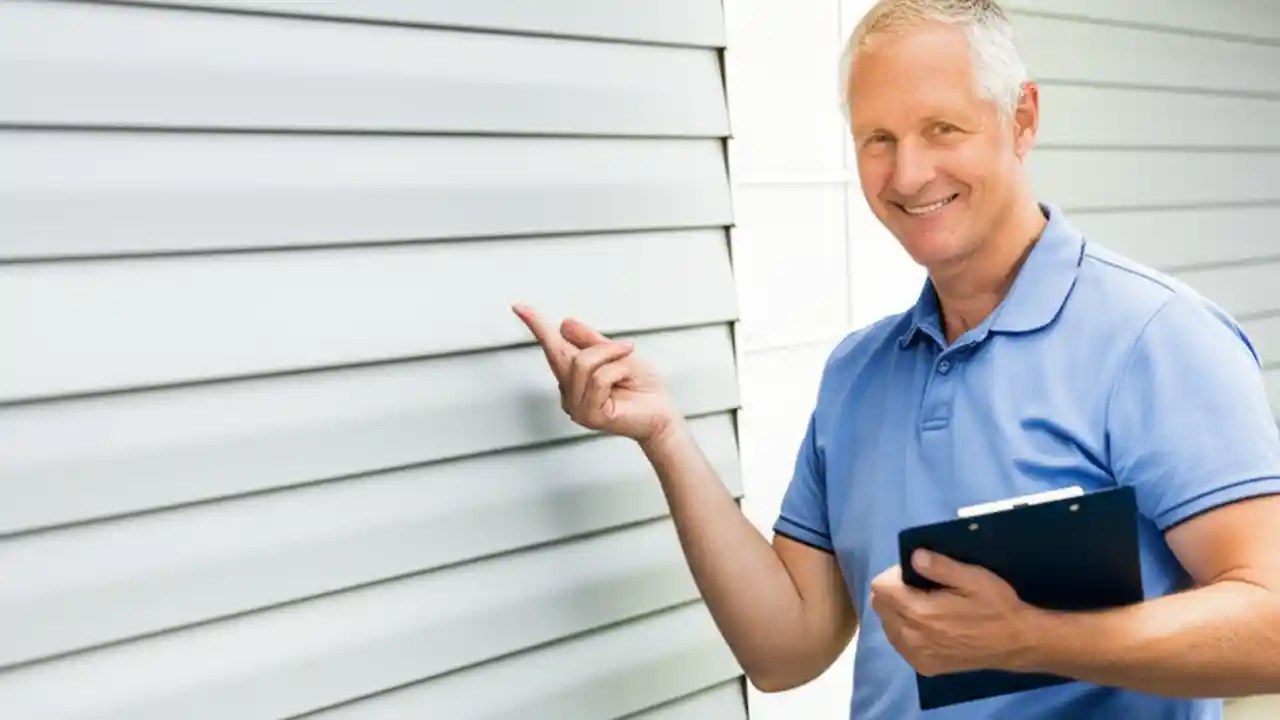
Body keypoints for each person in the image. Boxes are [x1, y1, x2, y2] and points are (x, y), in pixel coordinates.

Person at [513, 0, 1280, 717]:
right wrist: (666, 437)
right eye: (878, 139)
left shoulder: (1155, 338)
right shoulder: (858, 375)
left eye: (942, 129)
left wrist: (1029, 638)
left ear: (1022, 120)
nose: (908, 174)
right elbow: (786, 651)